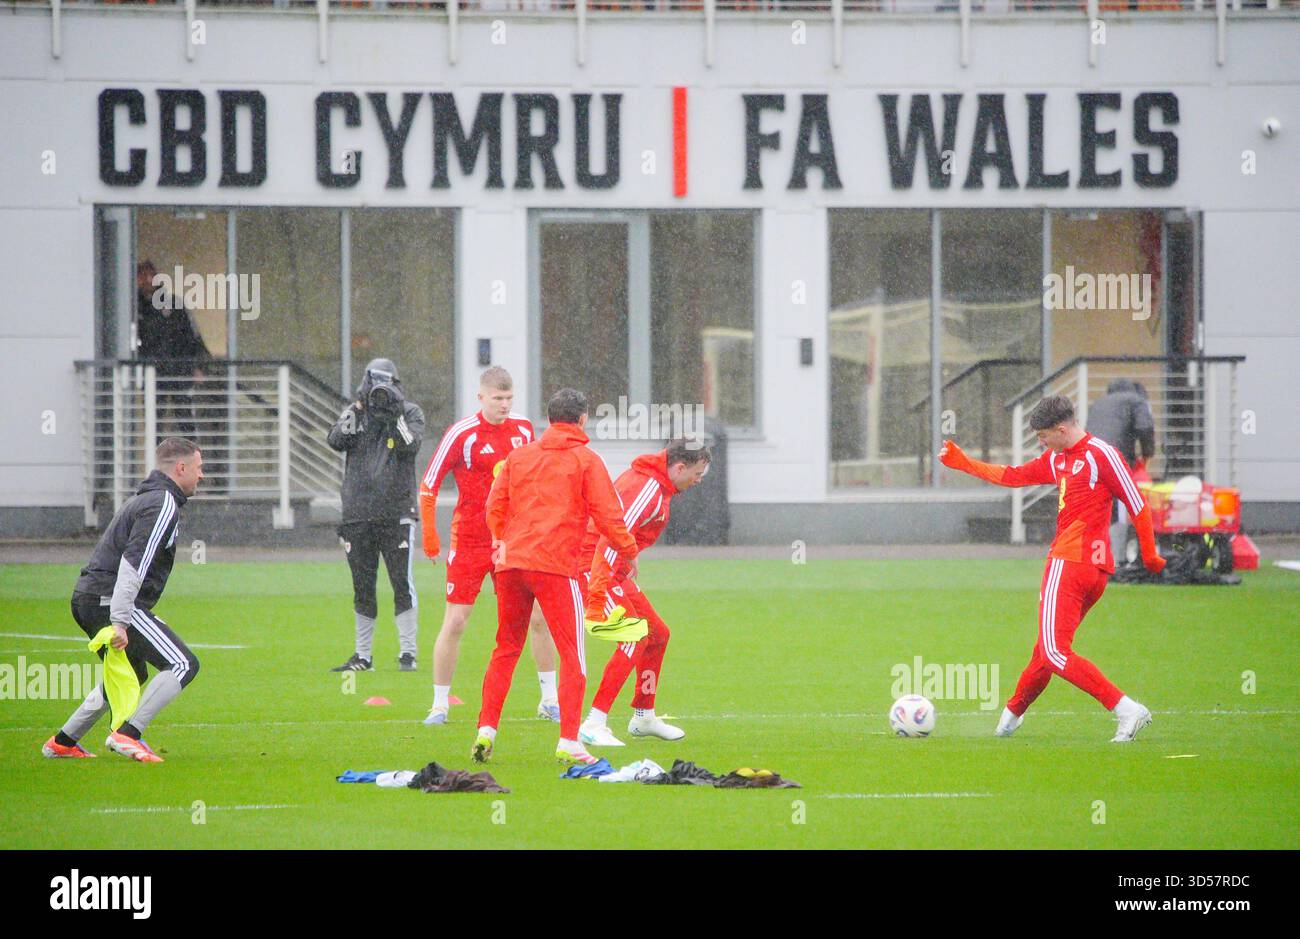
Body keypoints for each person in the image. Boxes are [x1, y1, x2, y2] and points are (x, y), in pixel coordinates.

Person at [939, 394, 1165, 743]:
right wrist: (965, 463)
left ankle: (1125, 709)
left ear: (1061, 429)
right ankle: (1009, 720)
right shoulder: (1058, 458)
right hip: (1093, 570)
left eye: (1043, 436)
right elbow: (1012, 476)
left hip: (1071, 564)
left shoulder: (1100, 454)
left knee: (1055, 651)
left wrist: (1149, 555)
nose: (1040, 442)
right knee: (1045, 651)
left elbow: (1137, 503)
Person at [472, 388, 643, 766]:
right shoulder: (585, 459)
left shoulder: (519, 456)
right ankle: (569, 740)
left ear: (549, 419)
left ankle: (486, 730)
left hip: (511, 564)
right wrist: (629, 552)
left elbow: (494, 506)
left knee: (505, 648)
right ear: (582, 420)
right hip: (555, 566)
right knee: (573, 655)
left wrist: (501, 541)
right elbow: (608, 516)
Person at [42, 437, 205, 762]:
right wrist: (120, 620)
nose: (202, 475)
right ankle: (128, 734)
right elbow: (134, 562)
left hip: (89, 596)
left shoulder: (147, 498)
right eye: (199, 468)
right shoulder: (162, 503)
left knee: (132, 670)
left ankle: (63, 742)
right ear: (181, 467)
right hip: (109, 599)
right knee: (183, 663)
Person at [417, 366, 560, 726]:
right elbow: (429, 484)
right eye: (498, 399)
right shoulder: (461, 434)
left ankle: (549, 700)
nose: (505, 405)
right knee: (456, 622)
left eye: (509, 398)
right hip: (470, 542)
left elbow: (537, 480)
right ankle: (439, 705)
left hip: (513, 542)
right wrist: (430, 535)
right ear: (481, 397)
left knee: (538, 619)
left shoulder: (525, 430)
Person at [578, 439, 712, 748]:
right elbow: (610, 537)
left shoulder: (658, 483)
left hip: (614, 568)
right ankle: (593, 723)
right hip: (595, 567)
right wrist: (600, 590)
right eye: (696, 473)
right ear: (679, 467)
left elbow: (621, 528)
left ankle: (643, 716)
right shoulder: (649, 488)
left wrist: (630, 555)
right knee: (634, 636)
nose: (698, 480)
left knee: (657, 634)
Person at [327, 359, 426, 673]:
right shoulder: (357, 412)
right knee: (362, 586)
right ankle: (363, 656)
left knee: (401, 583)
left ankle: (407, 654)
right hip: (358, 514)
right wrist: (358, 407)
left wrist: (394, 415)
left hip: (396, 512)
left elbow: (410, 446)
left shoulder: (410, 412)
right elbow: (335, 440)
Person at [135, 261, 210, 439]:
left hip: (179, 370)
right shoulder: (133, 309)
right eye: (141, 276)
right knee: (154, 423)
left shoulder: (173, 304)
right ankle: (157, 460)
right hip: (153, 373)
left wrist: (199, 366)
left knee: (185, 420)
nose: (146, 280)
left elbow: (192, 336)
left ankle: (191, 458)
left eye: (150, 275)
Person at [1086, 378, 1156, 564]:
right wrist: (1148, 453)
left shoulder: (1098, 404)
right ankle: (1119, 559)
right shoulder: (1137, 401)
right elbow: (1145, 427)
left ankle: (1094, 557)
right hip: (1115, 461)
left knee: (1099, 511)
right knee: (1120, 509)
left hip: (1089, 460)